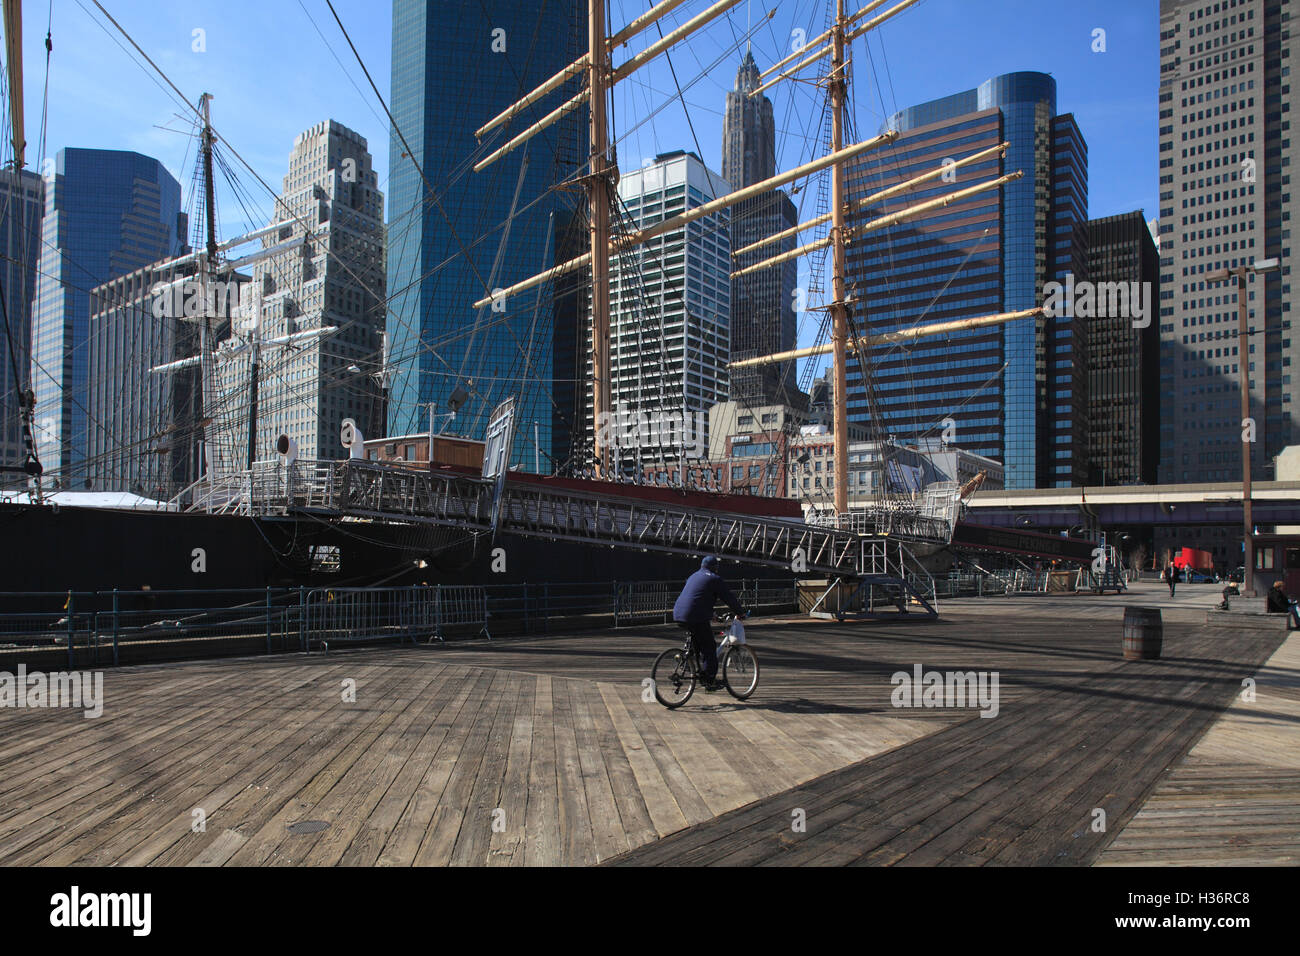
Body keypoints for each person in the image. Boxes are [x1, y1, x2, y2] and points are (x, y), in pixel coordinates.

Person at [672, 555, 745, 691]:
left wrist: (711, 615)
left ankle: (686, 661)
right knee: (709, 647)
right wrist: (740, 613)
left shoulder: (694, 576)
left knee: (698, 640)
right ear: (715, 568)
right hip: (695, 615)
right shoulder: (714, 579)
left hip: (678, 613)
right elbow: (728, 598)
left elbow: (696, 598)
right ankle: (710, 681)